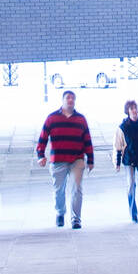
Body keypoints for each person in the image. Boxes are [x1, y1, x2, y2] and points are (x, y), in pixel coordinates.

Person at [36, 89, 94, 228]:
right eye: (68, 98)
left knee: (77, 188)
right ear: (62, 101)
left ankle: (76, 219)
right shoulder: (52, 118)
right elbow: (43, 138)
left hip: (77, 159)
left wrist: (90, 159)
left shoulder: (81, 119)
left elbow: (87, 140)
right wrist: (40, 155)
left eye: (72, 98)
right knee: (59, 190)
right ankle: (60, 212)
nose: (70, 100)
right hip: (58, 160)